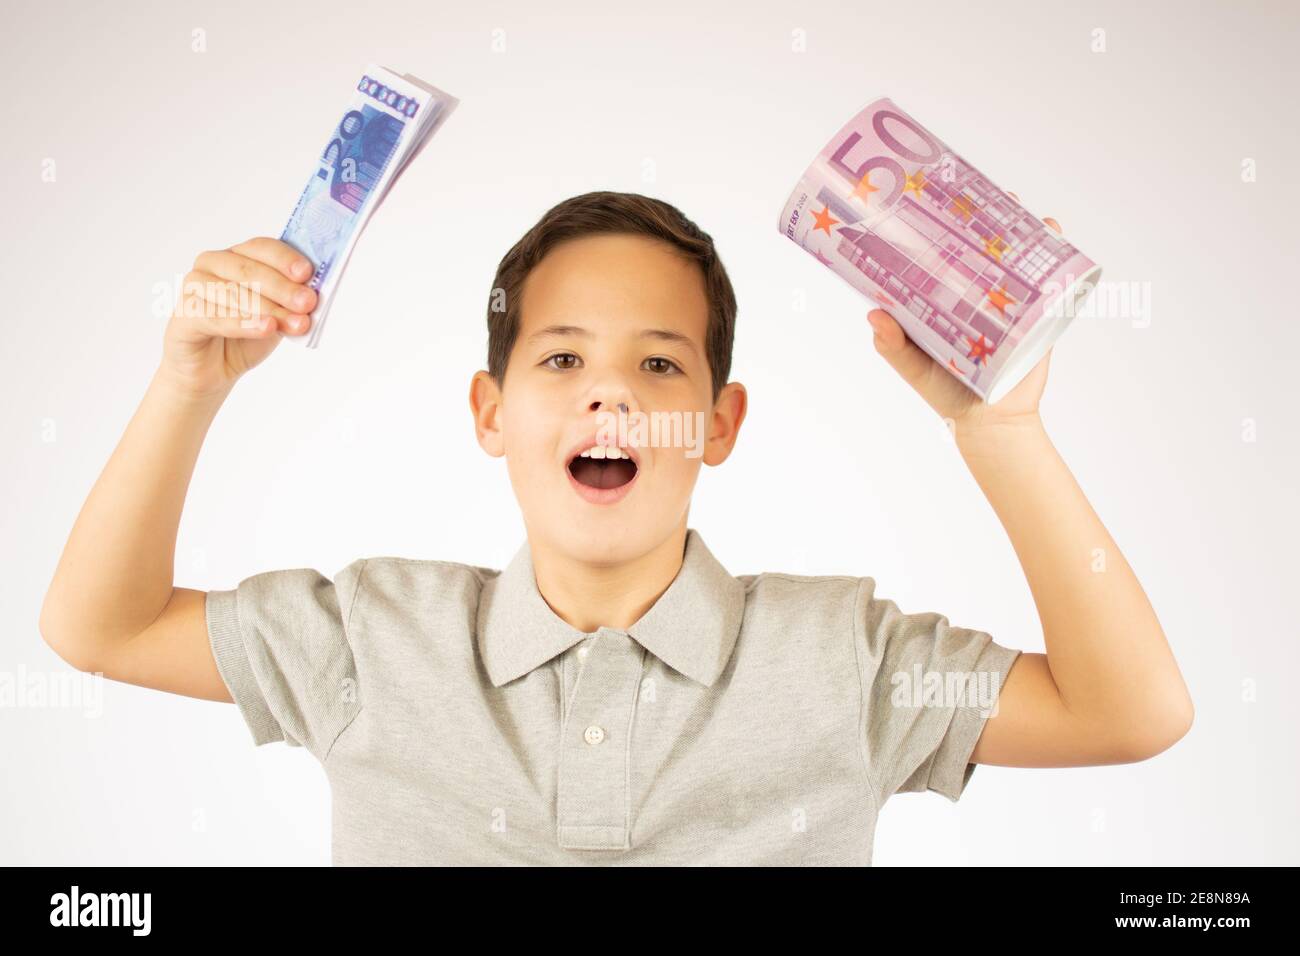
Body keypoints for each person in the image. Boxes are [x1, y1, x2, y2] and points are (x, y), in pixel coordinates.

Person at [39, 190, 1193, 865]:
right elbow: (101, 626)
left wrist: (1002, 434)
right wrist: (190, 381)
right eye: (561, 358)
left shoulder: (847, 661)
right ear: (490, 413)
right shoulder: (370, 640)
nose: (611, 396)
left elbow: (1129, 710)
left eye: (657, 361)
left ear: (718, 422)